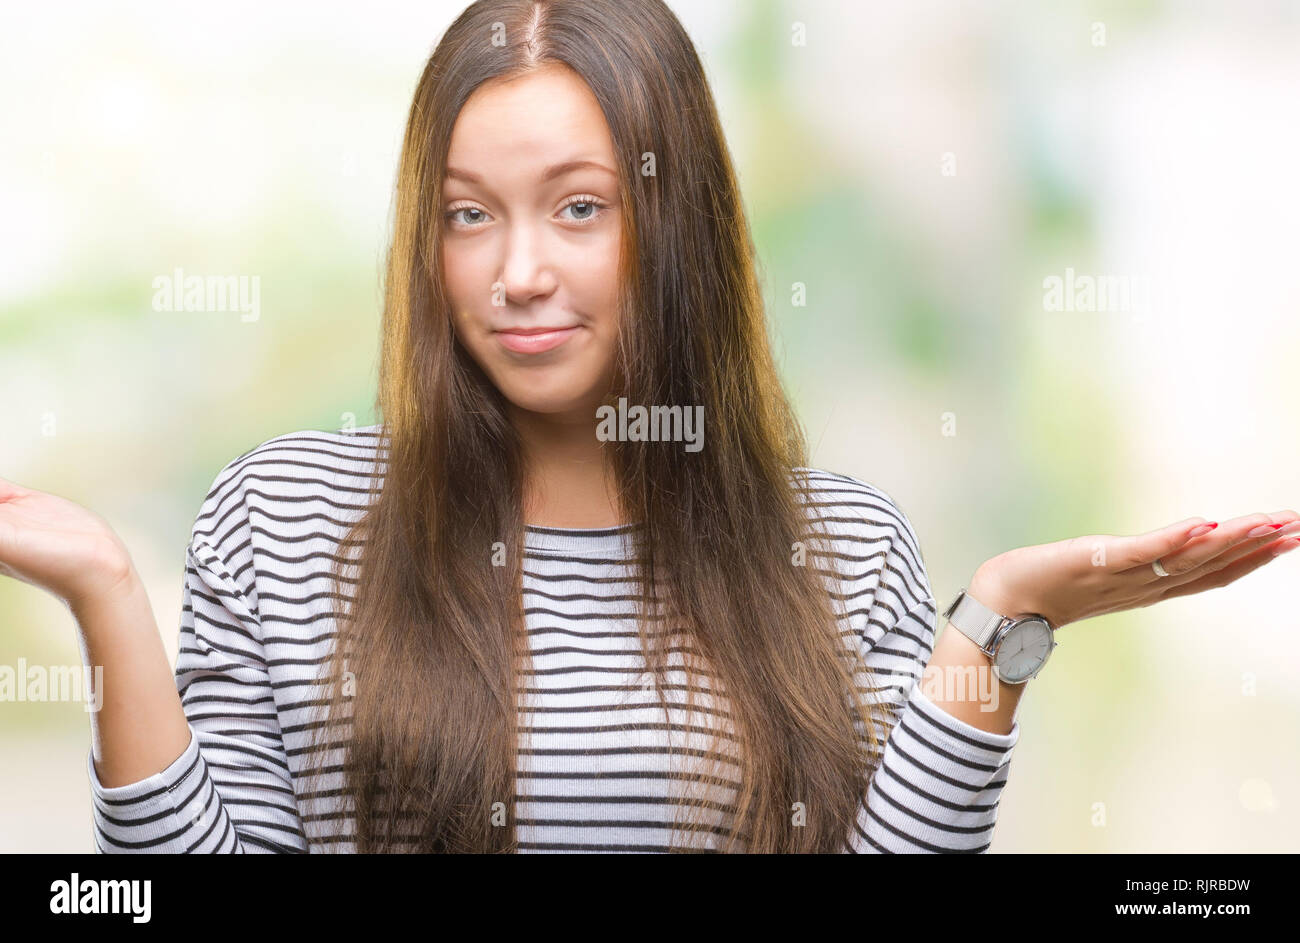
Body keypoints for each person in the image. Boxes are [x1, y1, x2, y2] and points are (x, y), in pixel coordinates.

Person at [1, 0, 1296, 853]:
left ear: (672, 228)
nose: (515, 272)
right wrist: (108, 596)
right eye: (468, 215)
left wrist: (1003, 623)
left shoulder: (839, 544)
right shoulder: (285, 516)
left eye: (577, 209)